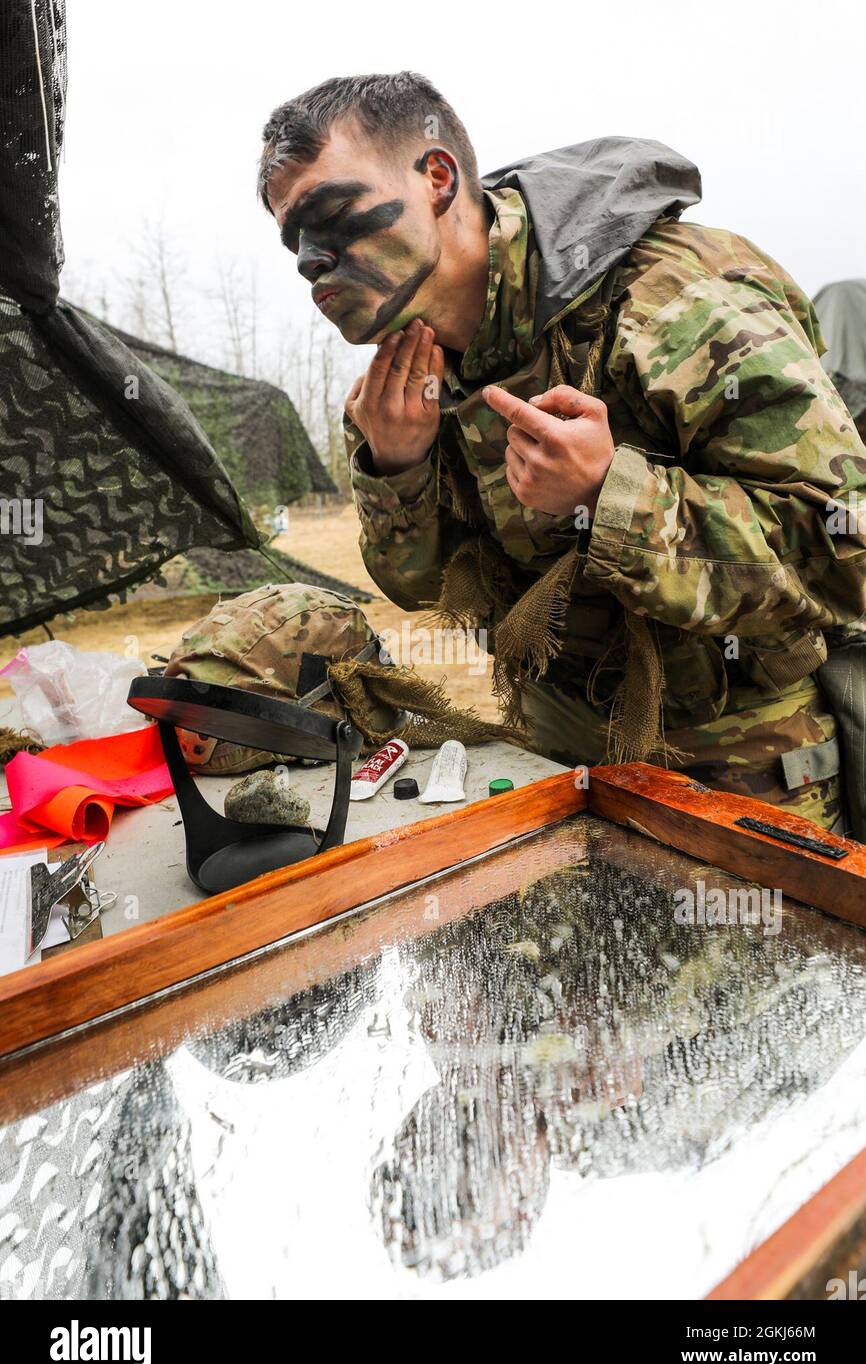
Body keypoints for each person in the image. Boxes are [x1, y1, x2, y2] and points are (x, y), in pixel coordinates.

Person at [258, 72, 866, 833]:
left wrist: (609, 495)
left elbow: (847, 553)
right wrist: (396, 466)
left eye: (330, 214)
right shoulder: (410, 374)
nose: (312, 260)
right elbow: (419, 591)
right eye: (294, 240)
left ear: (437, 178)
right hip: (557, 761)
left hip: (739, 774)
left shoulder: (677, 298)